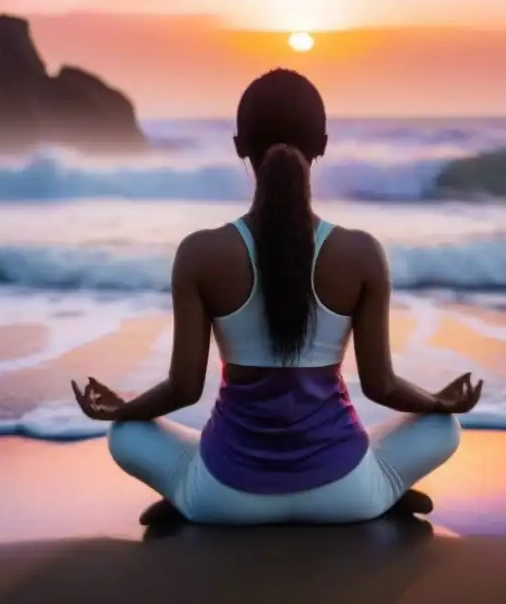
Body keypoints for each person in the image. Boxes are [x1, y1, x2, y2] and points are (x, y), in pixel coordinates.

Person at [71, 68, 484, 526]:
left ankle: (188, 495)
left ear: (238, 147)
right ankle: (382, 492)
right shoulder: (361, 252)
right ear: (323, 143)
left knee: (124, 435)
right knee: (443, 428)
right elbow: (380, 386)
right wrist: (436, 403)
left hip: (223, 498)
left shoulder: (201, 252)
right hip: (346, 493)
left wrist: (125, 409)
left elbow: (184, 388)